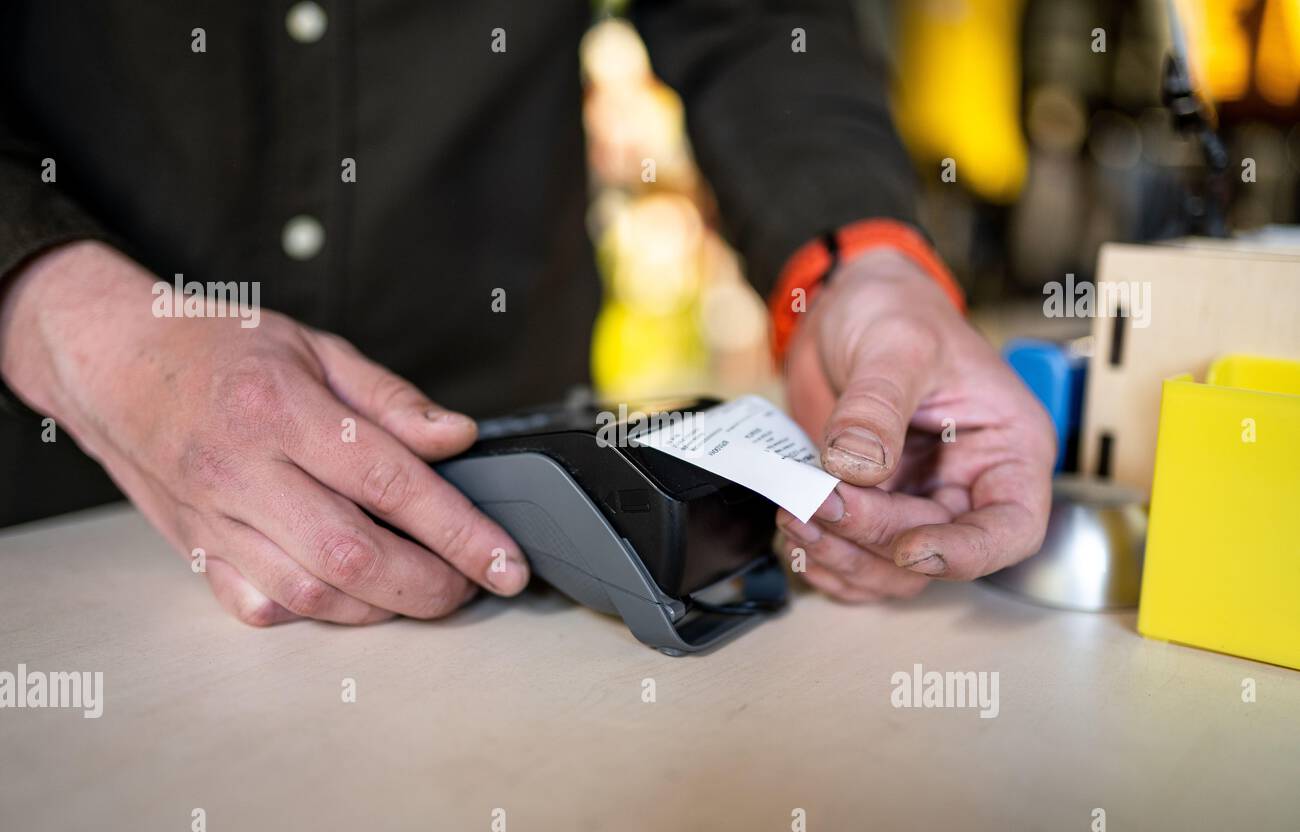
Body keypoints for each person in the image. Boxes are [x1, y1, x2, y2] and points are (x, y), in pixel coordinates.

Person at [0, 1, 1054, 625]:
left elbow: (754, 20)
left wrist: (854, 262)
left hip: (534, 542)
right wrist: (63, 310)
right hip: (60, 535)